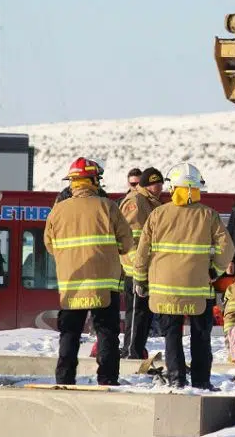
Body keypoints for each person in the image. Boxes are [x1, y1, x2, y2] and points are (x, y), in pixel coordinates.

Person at [133, 162, 234, 389]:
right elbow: (227, 248)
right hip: (198, 290)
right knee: (201, 337)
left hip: (164, 290)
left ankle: (177, 379)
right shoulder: (208, 215)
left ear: (173, 188)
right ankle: (201, 381)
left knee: (172, 335)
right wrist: (214, 270)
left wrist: (140, 278)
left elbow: (142, 251)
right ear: (196, 188)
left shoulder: (158, 214)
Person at [44, 156, 133, 385]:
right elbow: (126, 243)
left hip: (71, 287)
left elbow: (50, 246)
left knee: (69, 334)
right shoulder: (108, 207)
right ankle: (107, 378)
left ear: (72, 182)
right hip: (104, 286)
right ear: (93, 180)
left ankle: (64, 378)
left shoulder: (58, 211)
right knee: (107, 334)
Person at [118, 167, 164, 359]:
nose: (160, 187)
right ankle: (131, 351)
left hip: (146, 269)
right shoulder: (136, 202)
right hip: (134, 270)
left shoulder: (151, 202)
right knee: (136, 313)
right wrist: (140, 268)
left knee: (144, 315)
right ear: (147, 185)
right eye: (156, 184)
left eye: (161, 183)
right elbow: (132, 238)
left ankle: (137, 349)